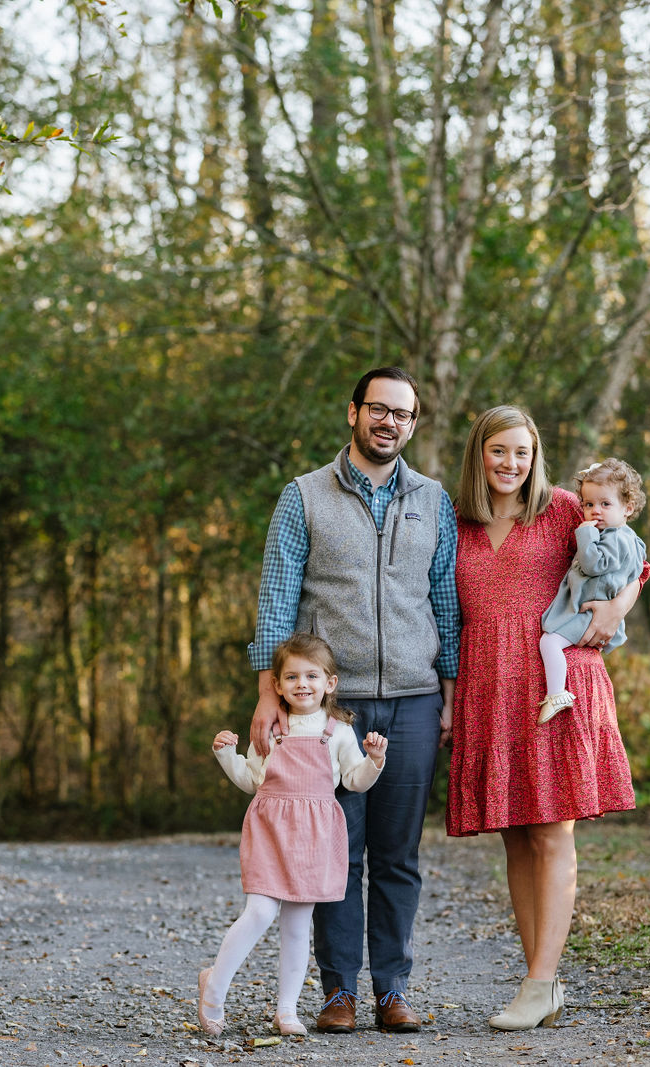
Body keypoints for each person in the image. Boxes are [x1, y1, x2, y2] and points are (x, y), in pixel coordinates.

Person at [247, 366, 458, 1034]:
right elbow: (276, 599)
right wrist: (267, 696)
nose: (388, 421)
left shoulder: (433, 499)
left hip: (415, 700)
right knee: (334, 853)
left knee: (398, 855)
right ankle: (338, 989)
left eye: (403, 412)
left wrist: (450, 692)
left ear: (414, 422)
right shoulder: (304, 495)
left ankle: (391, 988)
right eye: (378, 408)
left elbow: (446, 601)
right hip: (325, 712)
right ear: (353, 413)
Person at [446, 406, 645, 1031]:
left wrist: (615, 611)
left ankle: (539, 983)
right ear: (480, 454)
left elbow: (634, 559)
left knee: (554, 831)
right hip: (486, 681)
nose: (510, 463)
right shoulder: (456, 521)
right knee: (516, 833)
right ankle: (539, 981)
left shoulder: (562, 508)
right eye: (499, 451)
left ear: (536, 458)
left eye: (522, 452)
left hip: (553, 679)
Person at [201, 633, 389, 1037]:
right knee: (261, 912)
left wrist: (375, 760)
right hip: (271, 829)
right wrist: (225, 756)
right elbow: (251, 780)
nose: (302, 684)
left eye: (312, 675)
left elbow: (355, 781)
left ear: (330, 683)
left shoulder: (337, 731)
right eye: (291, 677)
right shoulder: (270, 729)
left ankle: (286, 1011)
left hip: (316, 835)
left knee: (299, 925)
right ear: (277, 685)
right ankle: (214, 988)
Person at [537, 458, 648, 723]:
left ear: (627, 507)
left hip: (588, 614)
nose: (595, 511)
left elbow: (593, 564)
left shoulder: (614, 537)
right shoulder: (632, 539)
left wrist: (584, 535)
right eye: (588, 505)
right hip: (592, 610)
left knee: (549, 641)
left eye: (605, 504)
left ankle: (557, 693)